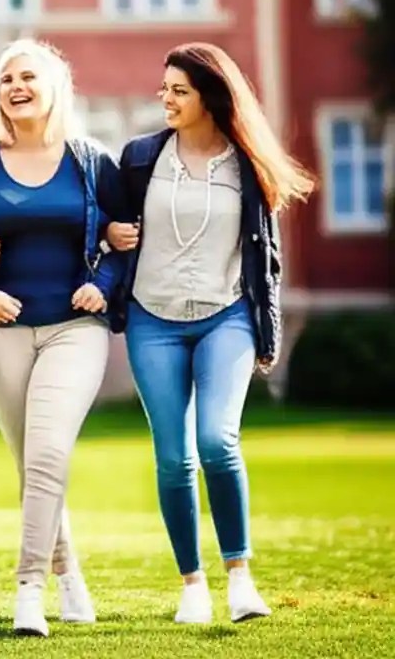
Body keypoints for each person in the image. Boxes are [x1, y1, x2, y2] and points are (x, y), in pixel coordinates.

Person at [103, 42, 314, 624]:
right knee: (174, 458)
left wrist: (266, 334)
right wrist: (113, 238)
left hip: (226, 315)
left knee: (217, 442)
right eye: (164, 87)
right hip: (153, 319)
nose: (165, 98)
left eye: (179, 90)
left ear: (210, 97)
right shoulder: (141, 158)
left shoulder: (247, 167)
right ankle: (192, 583)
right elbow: (109, 226)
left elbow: (265, 258)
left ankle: (240, 578)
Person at [0, 39, 124, 637]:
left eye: (28, 77)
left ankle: (28, 591)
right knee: (31, 461)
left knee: (47, 454)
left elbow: (125, 239)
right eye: (7, 78)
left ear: (54, 86)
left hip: (75, 327)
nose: (17, 87)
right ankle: (71, 579)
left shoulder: (92, 161)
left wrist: (105, 283)